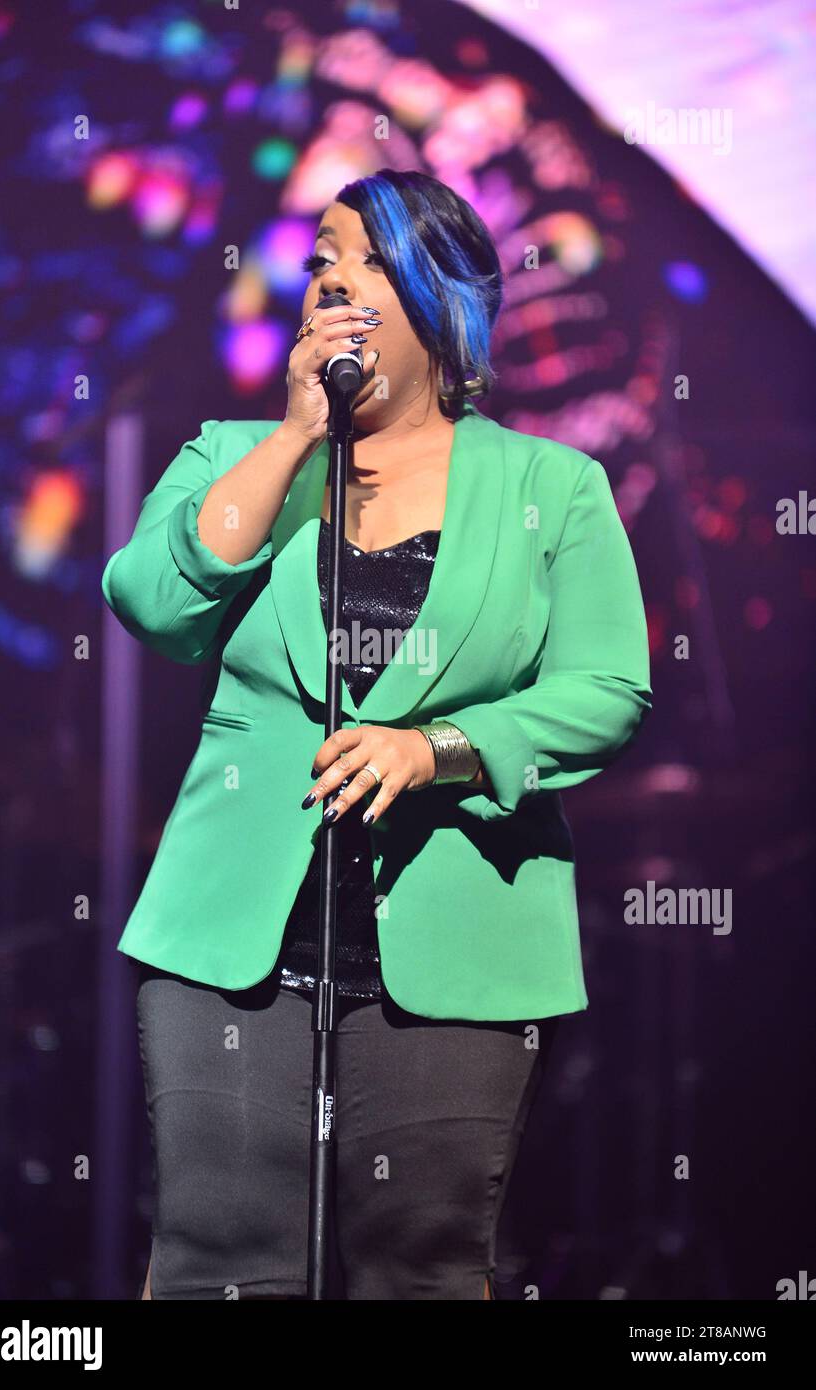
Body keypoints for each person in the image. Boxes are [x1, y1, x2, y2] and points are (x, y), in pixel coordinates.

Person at [101, 168, 652, 1300]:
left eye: (362, 257)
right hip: (232, 938)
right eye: (318, 259)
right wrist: (292, 436)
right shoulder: (233, 455)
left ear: (441, 296)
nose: (328, 280)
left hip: (456, 938)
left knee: (421, 1266)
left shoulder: (554, 486)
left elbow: (608, 688)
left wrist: (438, 748)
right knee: (218, 1257)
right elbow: (152, 604)